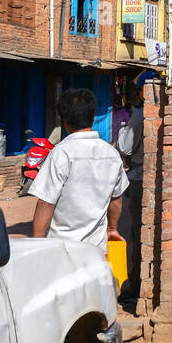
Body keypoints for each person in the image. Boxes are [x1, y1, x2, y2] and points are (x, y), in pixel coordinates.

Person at [31, 88, 127, 254]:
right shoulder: (111, 153)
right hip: (96, 250)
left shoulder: (61, 153)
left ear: (65, 121)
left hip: (63, 250)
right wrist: (112, 228)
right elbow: (116, 198)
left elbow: (46, 203)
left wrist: (37, 244)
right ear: (93, 117)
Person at [115, 82, 145, 298]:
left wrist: (124, 129)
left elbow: (125, 147)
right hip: (142, 174)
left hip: (138, 176)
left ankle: (135, 285)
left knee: (137, 233)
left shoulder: (139, 116)